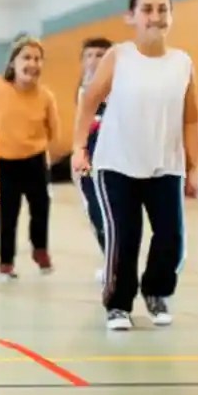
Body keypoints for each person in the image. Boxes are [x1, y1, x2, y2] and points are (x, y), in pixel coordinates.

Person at [72, 0, 198, 331]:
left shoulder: (182, 63)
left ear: (171, 16)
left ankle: (157, 292)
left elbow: (190, 118)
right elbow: (90, 100)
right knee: (125, 236)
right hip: (117, 164)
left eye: (162, 9)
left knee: (171, 237)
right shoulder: (119, 56)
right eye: (147, 9)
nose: (155, 16)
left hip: (165, 165)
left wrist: (194, 169)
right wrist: (79, 147)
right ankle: (118, 303)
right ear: (132, 16)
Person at [0, 35, 60, 280]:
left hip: (34, 161)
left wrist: (51, 159)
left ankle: (40, 249)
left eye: (37, 59)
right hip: (3, 163)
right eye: (26, 57)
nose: (33, 63)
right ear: (13, 62)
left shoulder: (46, 97)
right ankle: (6, 262)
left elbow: (53, 131)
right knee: (8, 213)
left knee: (41, 208)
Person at [75, 36, 113, 281]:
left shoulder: (119, 86)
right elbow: (81, 126)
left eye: (100, 55)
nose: (94, 60)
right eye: (89, 55)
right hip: (90, 159)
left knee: (115, 214)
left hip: (113, 159)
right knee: (95, 213)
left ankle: (117, 264)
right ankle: (109, 260)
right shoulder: (82, 90)